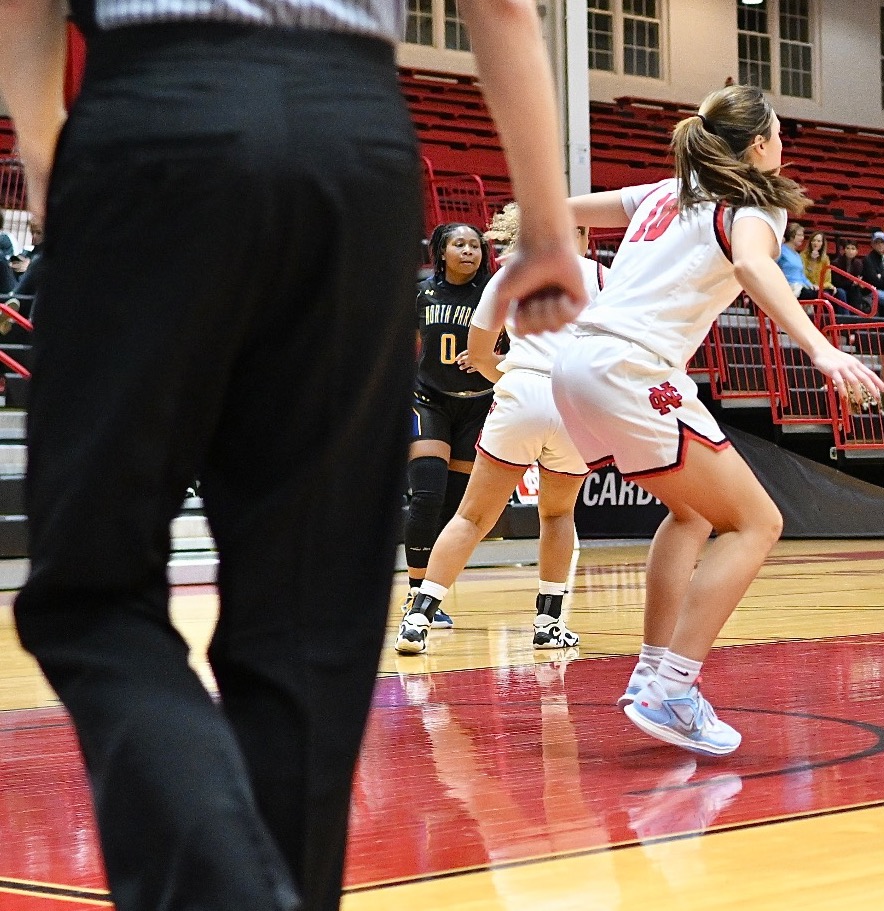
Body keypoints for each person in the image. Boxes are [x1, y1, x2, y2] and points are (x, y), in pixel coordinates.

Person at [0, 0, 586, 908]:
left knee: (92, 588)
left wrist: (45, 152)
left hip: (156, 121)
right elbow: (502, 7)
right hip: (352, 140)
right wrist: (547, 229)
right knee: (311, 615)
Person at [555, 84, 884, 756]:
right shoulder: (754, 204)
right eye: (780, 130)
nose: (785, 139)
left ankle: (652, 667)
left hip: (577, 365)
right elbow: (752, 266)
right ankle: (674, 687)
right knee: (759, 522)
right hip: (632, 367)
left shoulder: (662, 194)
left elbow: (559, 211)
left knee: (693, 513)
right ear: (759, 145)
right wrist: (823, 349)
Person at [397, 213, 605, 655]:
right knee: (557, 515)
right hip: (573, 399)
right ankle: (549, 622)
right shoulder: (603, 276)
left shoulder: (509, 273)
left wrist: (510, 375)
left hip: (521, 392)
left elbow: (478, 354)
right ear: (582, 235)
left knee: (471, 517)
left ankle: (419, 617)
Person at [403, 222, 495, 627]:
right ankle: (415, 592)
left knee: (454, 506)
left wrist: (490, 358)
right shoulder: (420, 294)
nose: (468, 251)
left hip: (478, 406)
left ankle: (431, 596)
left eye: (475, 245)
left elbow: (521, 344)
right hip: (427, 401)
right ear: (441, 252)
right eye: (459, 244)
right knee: (427, 493)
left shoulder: (496, 296)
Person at [776, 221, 817, 299]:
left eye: (802, 235)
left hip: (801, 286)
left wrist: (810, 284)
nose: (802, 238)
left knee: (819, 292)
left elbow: (801, 275)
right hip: (789, 286)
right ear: (791, 236)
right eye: (799, 235)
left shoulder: (797, 255)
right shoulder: (782, 250)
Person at [830, 236, 869, 312]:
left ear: (857, 251)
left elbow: (860, 279)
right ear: (844, 250)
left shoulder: (859, 264)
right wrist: (852, 282)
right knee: (841, 292)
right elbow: (836, 282)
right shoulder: (836, 263)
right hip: (839, 287)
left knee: (857, 291)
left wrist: (859, 284)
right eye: (848, 248)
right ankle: (846, 316)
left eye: (853, 249)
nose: (850, 251)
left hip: (852, 288)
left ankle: (857, 316)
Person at [802, 229, 841, 301]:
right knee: (824, 294)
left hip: (821, 287)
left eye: (818, 241)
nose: (815, 243)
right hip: (808, 287)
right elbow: (804, 276)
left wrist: (822, 286)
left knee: (841, 293)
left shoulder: (825, 258)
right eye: (813, 240)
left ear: (822, 244)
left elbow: (828, 280)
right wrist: (812, 262)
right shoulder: (803, 256)